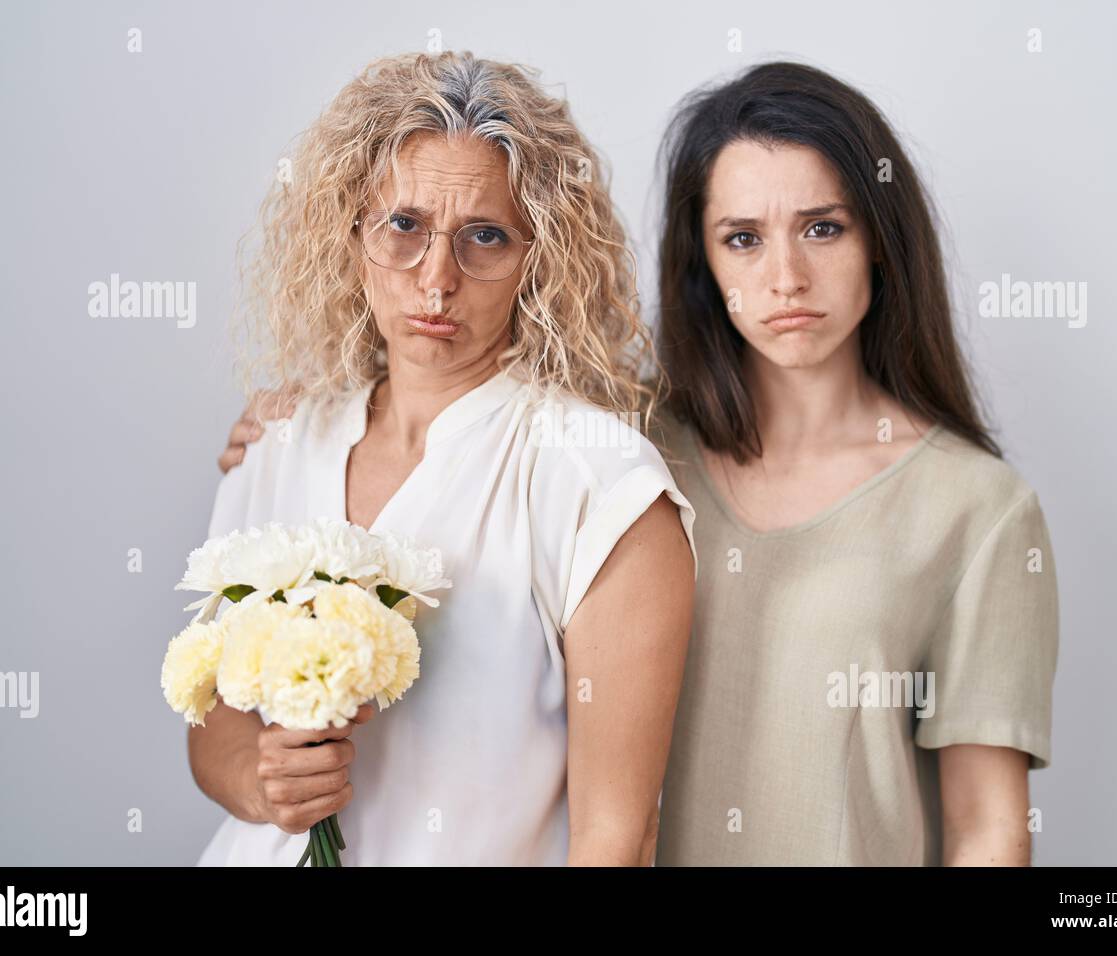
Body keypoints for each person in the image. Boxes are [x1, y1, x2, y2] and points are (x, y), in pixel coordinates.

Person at [223, 60, 1059, 866]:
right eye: (742, 238)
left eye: (823, 227)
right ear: (702, 261)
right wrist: (288, 428)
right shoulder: (628, 450)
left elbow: (990, 833)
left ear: (883, 241)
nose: (786, 278)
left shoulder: (977, 512)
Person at [191, 51, 696, 867]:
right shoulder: (277, 444)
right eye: (405, 226)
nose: (437, 278)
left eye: (484, 237)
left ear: (540, 257)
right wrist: (263, 781)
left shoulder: (601, 484)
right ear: (349, 230)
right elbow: (210, 721)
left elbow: (617, 834)